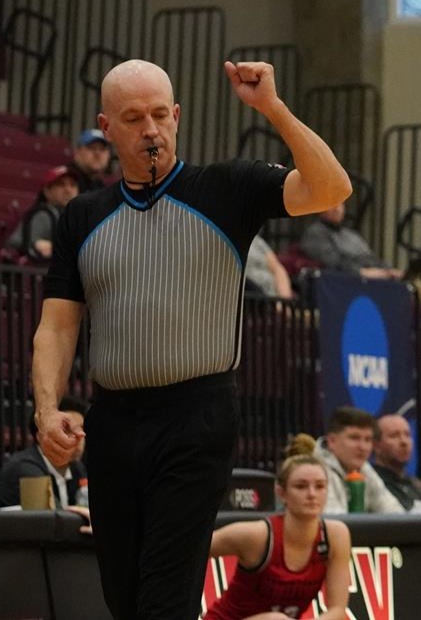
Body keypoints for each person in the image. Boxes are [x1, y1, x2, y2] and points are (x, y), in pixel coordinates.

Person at [30, 59, 352, 620]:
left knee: (164, 599)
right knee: (125, 599)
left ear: (177, 116)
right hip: (113, 421)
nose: (150, 129)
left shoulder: (228, 188)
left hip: (196, 417)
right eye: (133, 118)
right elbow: (58, 324)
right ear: (106, 127)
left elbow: (330, 188)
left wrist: (272, 107)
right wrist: (47, 407)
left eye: (159, 114)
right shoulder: (82, 216)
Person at [205, 434, 352, 620]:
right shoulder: (257, 535)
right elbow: (187, 552)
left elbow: (338, 611)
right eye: (301, 486)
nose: (312, 494)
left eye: (320, 486)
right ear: (281, 493)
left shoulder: (335, 535)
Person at [0, 394, 90, 519]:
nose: (80, 437)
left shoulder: (77, 469)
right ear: (41, 435)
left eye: (82, 429)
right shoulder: (25, 469)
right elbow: (50, 522)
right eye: (68, 429)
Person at [315, 405, 407, 514]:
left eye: (368, 440)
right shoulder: (316, 469)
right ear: (332, 441)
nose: (362, 447)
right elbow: (333, 522)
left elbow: (395, 514)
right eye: (354, 438)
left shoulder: (365, 468)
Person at [298, 201, 398, 279]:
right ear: (320, 208)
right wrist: (362, 272)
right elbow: (333, 263)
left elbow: (370, 257)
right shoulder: (315, 233)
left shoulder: (352, 235)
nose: (337, 209)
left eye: (340, 204)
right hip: (343, 283)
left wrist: (388, 271)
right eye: (332, 205)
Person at [8, 165, 80, 261]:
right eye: (61, 185)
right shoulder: (43, 215)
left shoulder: (78, 217)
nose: (68, 190)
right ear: (47, 191)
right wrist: (35, 244)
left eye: (73, 185)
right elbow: (14, 243)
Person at [371, 414, 421, 511]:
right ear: (376, 445)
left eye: (407, 435)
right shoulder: (372, 483)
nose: (404, 442)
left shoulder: (419, 486)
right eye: (394, 436)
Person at [243, 234, 295, 300]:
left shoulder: (256, 240)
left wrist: (285, 301)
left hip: (275, 299)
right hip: (252, 300)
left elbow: (277, 268)